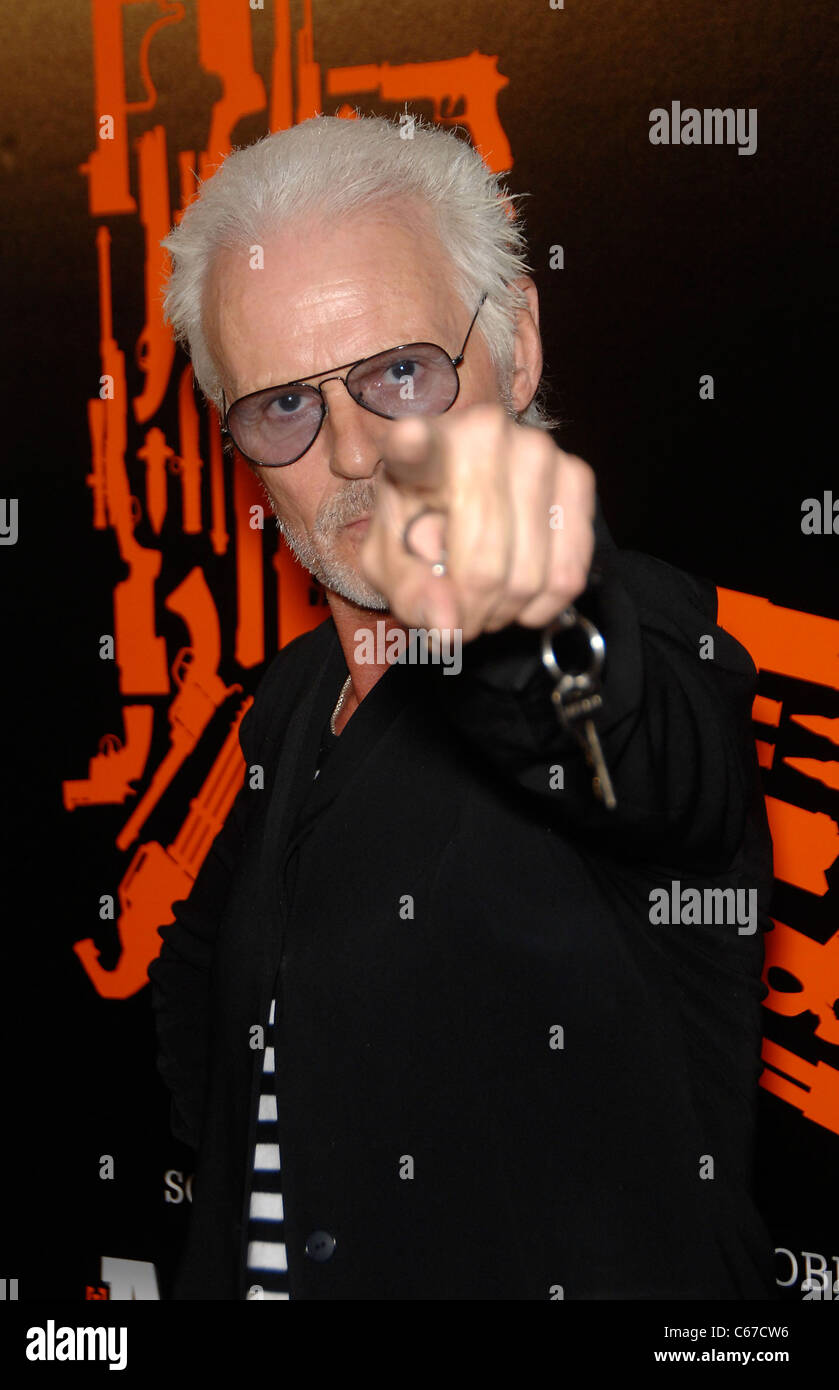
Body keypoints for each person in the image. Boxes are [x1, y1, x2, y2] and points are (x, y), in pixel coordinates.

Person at [148, 113, 775, 1300]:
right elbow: (204, 987)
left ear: (518, 347)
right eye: (282, 404)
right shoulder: (291, 699)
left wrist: (513, 611)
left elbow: (614, 737)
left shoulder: (643, 635)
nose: (351, 453)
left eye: (397, 374)